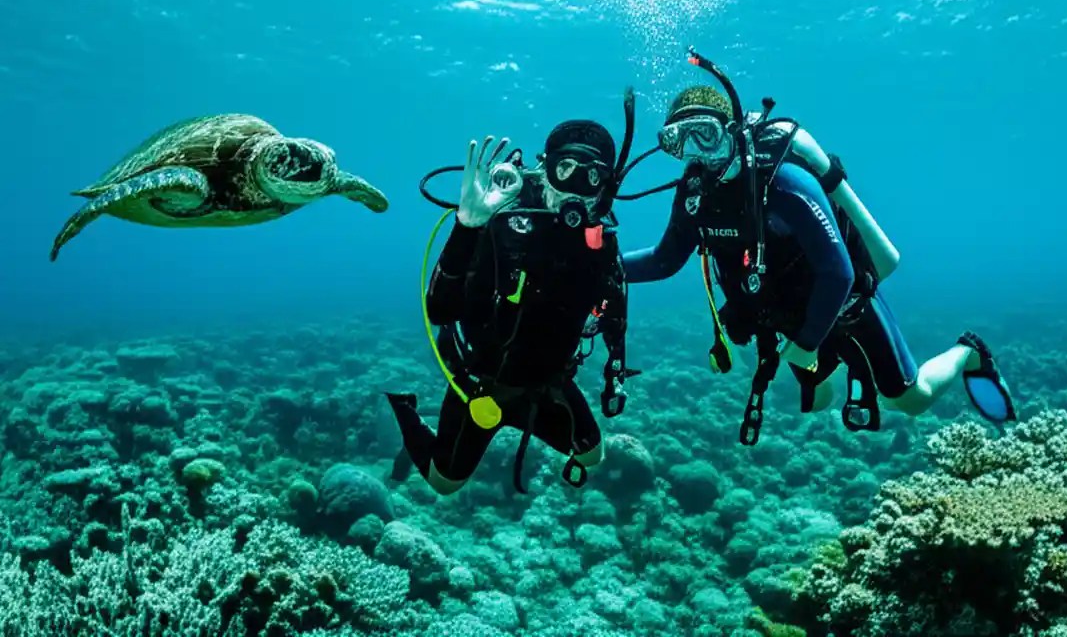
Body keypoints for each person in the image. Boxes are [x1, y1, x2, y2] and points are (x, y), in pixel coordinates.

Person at [618, 49, 1014, 444]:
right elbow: (664, 260)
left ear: (732, 131)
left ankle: (969, 351)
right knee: (818, 400)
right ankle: (833, 364)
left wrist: (808, 344)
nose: (696, 155)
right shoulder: (695, 193)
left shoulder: (782, 180)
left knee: (907, 401)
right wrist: (602, 264)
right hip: (787, 319)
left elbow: (838, 272)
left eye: (705, 135)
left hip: (844, 306)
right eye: (678, 142)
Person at [387, 101, 641, 495]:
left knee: (593, 456)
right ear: (544, 169)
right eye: (565, 170)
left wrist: (615, 374)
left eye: (590, 177)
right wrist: (468, 226)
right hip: (480, 382)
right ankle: (404, 410)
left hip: (545, 384)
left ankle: (518, 416)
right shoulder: (504, 219)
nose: (573, 189)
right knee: (444, 483)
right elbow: (439, 309)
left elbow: (614, 312)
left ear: (605, 188)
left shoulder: (601, 243)